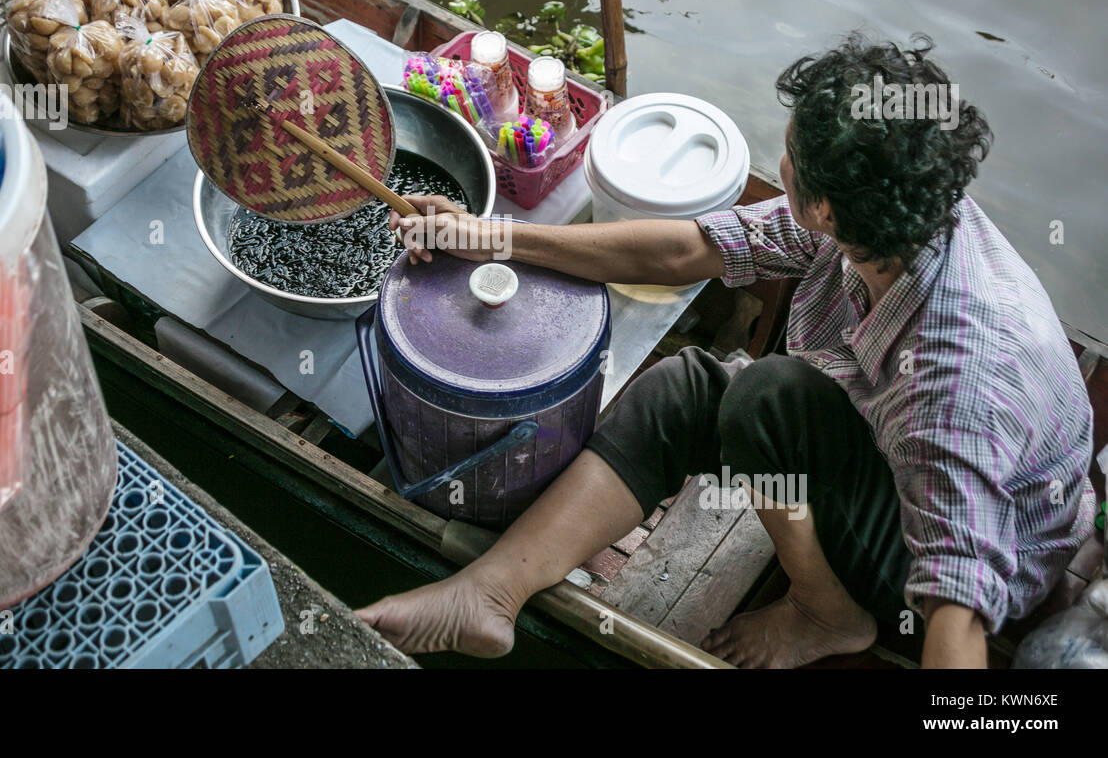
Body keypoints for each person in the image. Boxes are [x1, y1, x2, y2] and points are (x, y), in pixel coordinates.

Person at [355, 32, 1097, 668]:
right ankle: (491, 592)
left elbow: (957, 612)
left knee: (765, 401)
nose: (782, 165)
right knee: (687, 388)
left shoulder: (957, 385)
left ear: (824, 207)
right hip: (886, 454)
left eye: (789, 158)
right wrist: (493, 237)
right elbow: (687, 248)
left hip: (952, 549)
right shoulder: (900, 212)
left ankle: (826, 612)